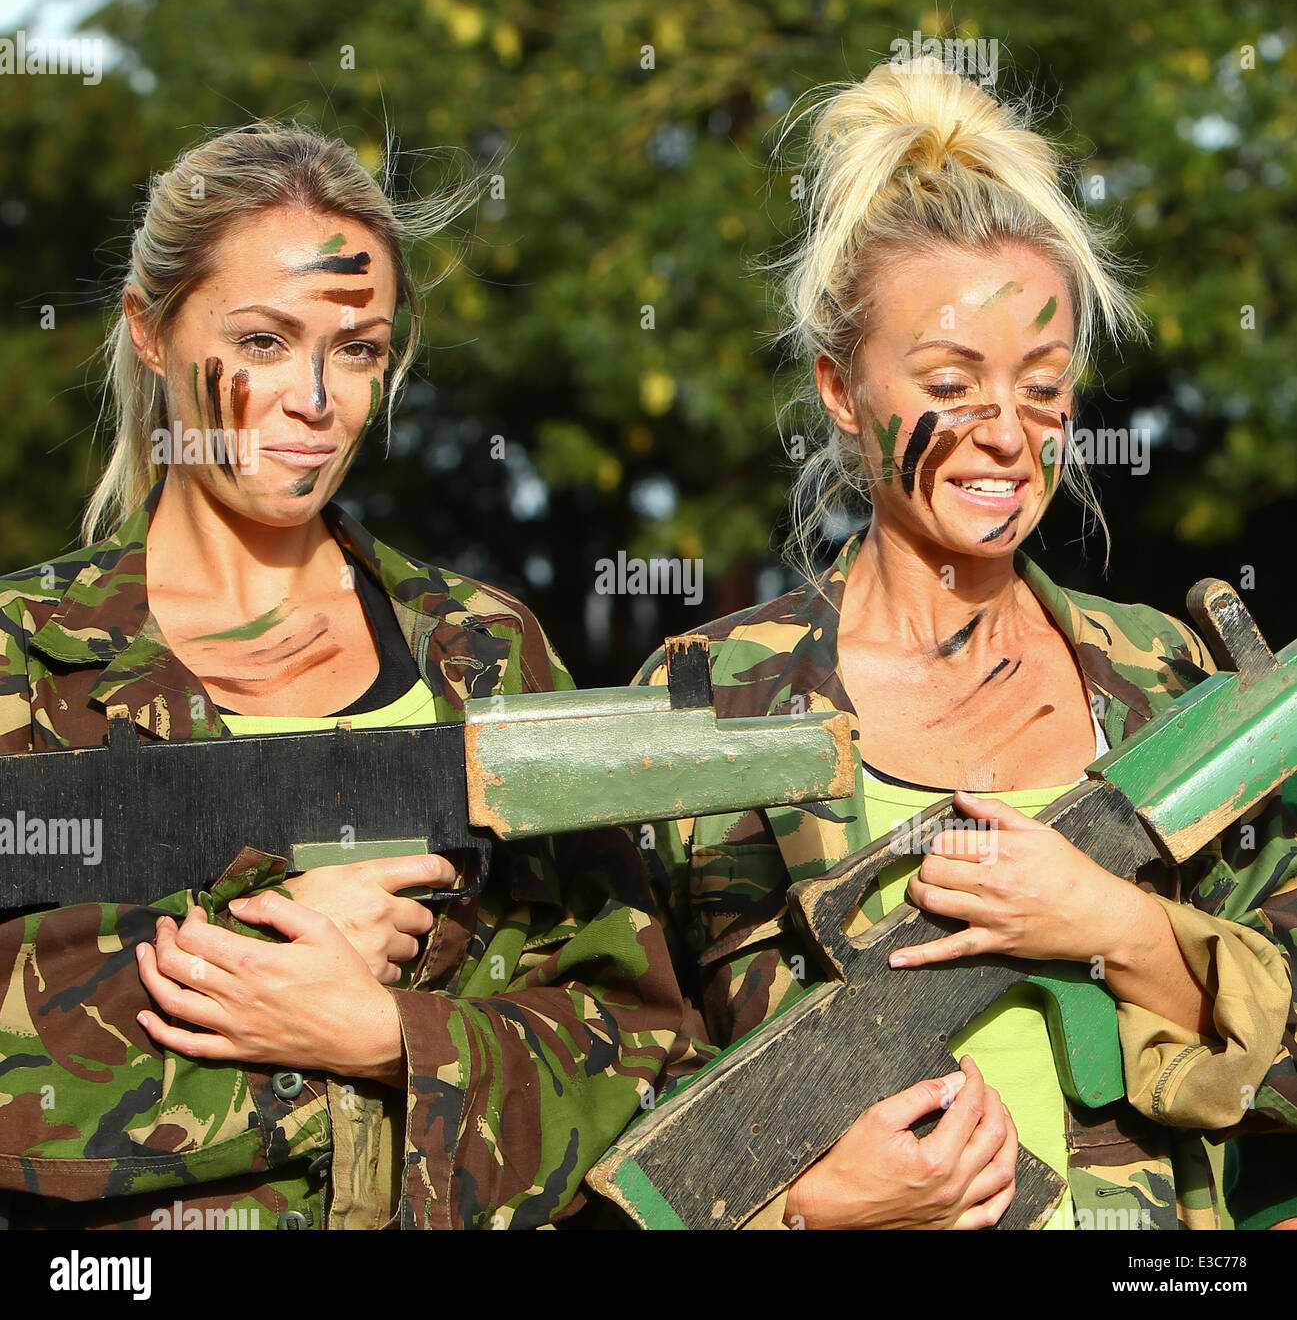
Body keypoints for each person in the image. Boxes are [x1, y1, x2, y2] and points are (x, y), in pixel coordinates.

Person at [631, 60, 1297, 1230]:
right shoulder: (703, 704)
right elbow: (600, 1088)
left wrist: (1118, 928)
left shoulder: (1169, 688)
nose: (1005, 434)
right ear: (842, 389)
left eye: (1044, 388)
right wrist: (813, 1211)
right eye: (950, 381)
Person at [0, 122, 684, 1230]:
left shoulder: (485, 655)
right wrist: (271, 935)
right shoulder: (22, 660)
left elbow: (643, 1049)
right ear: (151, 330)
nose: (317, 399)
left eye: (358, 348)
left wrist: (383, 1037)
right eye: (264, 341)